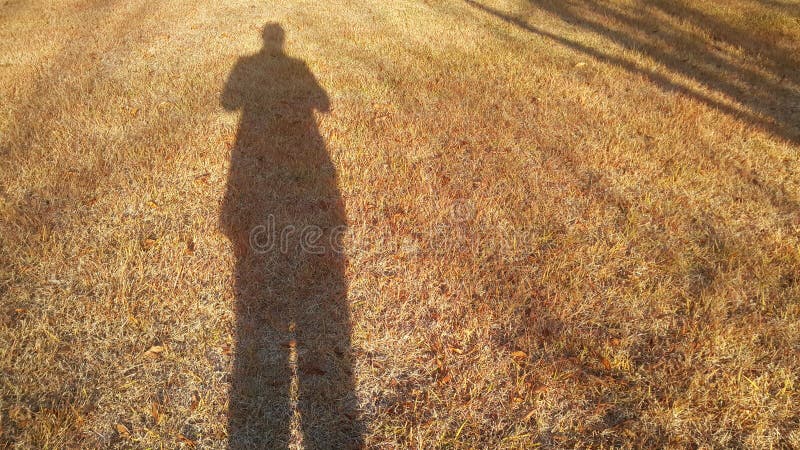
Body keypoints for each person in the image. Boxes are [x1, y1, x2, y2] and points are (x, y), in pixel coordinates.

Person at [221, 23, 363, 449]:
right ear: (279, 41)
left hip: (254, 149)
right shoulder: (298, 66)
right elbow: (323, 102)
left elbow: (229, 102)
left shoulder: (246, 66)